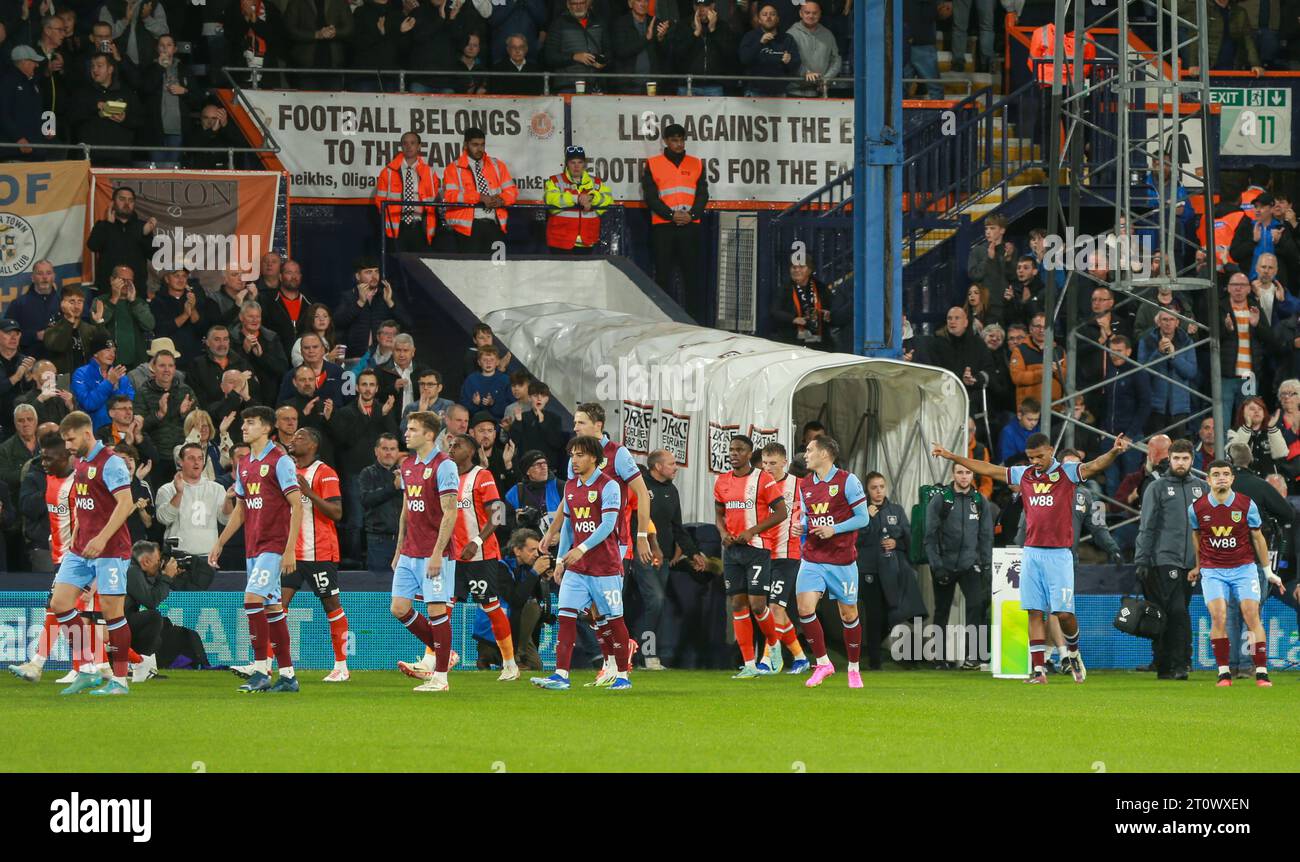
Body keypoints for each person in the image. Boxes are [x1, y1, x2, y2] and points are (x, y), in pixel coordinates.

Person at [932, 429, 1131, 684]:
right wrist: (952, 456)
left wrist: (1114, 451)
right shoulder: (1024, 474)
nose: (1034, 462)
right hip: (1032, 552)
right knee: (1034, 612)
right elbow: (987, 468)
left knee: (1063, 614)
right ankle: (1038, 671)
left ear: (1050, 451)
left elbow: (1094, 466)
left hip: (1060, 554)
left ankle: (1073, 653)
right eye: (1030, 457)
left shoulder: (1067, 473)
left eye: (1038, 456)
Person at [208, 406, 305, 693]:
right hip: (253, 545)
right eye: (244, 423)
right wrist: (220, 541)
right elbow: (240, 508)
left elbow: (297, 504)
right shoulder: (246, 463)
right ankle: (288, 676)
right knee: (272, 608)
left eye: (250, 423)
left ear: (266, 428)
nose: (244, 428)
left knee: (252, 600)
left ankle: (261, 669)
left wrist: (289, 550)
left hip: (274, 545)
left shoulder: (280, 461)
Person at [531, 434, 631, 691]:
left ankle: (622, 676)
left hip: (605, 568)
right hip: (577, 568)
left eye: (580, 455)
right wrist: (561, 561)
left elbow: (608, 525)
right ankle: (561, 675)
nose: (574, 460)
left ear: (595, 459)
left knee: (614, 620)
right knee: (566, 616)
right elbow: (567, 528)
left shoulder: (609, 486)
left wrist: (582, 548)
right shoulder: (571, 487)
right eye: (572, 455)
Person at [45, 411, 136, 695]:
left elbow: (126, 504)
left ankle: (120, 681)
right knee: (60, 603)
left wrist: (102, 537)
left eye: (71, 439)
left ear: (86, 433)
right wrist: (78, 535)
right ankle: (86, 668)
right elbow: (86, 505)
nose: (68, 446)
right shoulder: (80, 461)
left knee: (112, 612)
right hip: (81, 548)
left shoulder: (112, 463)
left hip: (110, 549)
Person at [1191, 460, 1281, 687]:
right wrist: (1199, 565)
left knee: (1251, 614)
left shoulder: (1246, 505)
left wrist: (1267, 570)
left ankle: (1261, 672)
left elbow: (1258, 537)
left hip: (1244, 568)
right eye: (1216, 474)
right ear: (1208, 479)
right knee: (1219, 615)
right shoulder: (1196, 508)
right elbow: (1197, 537)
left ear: (1232, 479)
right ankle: (1223, 672)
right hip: (1213, 570)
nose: (1221, 477)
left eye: (1225, 474)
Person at [388, 411, 460, 692]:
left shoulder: (444, 466)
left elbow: (450, 511)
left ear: (430, 435)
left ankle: (440, 677)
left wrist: (437, 552)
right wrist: (398, 550)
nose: (407, 433)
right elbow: (406, 510)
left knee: (436, 609)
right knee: (399, 608)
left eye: (413, 429)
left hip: (435, 553)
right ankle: (444, 652)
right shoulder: (408, 465)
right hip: (409, 551)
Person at [790, 435, 870, 688]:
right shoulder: (805, 484)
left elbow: (863, 518)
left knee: (848, 614)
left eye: (810, 450)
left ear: (824, 454)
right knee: (804, 608)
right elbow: (810, 519)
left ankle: (854, 669)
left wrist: (834, 529)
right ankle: (824, 663)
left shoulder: (848, 481)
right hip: (813, 557)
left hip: (842, 560)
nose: (805, 454)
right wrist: (800, 527)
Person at [276, 427, 351, 682]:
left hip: (320, 552)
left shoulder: (325, 473)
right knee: (277, 606)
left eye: (301, 437)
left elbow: (337, 513)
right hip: (292, 554)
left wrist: (309, 493)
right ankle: (269, 665)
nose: (294, 439)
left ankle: (341, 666)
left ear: (313, 446)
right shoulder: (287, 471)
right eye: (293, 436)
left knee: (331, 606)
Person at [444, 432, 519, 680]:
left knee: (490, 606)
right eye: (451, 444)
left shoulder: (482, 476)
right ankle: (434, 660)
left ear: (473, 451)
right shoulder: (446, 479)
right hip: (452, 557)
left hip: (480, 556)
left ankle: (510, 664)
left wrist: (476, 541)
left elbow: (498, 515)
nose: (453, 448)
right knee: (441, 607)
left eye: (459, 445)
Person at [712, 434, 788, 678]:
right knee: (737, 603)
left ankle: (773, 644)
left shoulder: (763, 479)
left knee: (758, 605)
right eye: (731, 449)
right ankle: (749, 664)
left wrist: (752, 531)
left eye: (739, 450)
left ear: (748, 453)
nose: (734, 453)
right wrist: (723, 532)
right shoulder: (722, 481)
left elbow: (781, 512)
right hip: (732, 551)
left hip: (756, 549)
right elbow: (719, 514)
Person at [1134, 438, 1207, 680]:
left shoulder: (1202, 487)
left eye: (1185, 459)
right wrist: (1142, 560)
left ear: (1191, 460)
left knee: (1174, 611)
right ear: (1170, 459)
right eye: (1176, 458)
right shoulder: (1157, 487)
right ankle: (1181, 663)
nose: (1180, 463)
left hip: (1191, 562)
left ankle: (1165, 665)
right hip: (1163, 559)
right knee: (1177, 610)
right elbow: (1147, 526)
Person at [924, 462, 993, 670]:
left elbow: (986, 536)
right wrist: (937, 566)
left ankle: (972, 658)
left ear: (973, 476)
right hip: (944, 564)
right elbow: (930, 536)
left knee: (976, 606)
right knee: (942, 610)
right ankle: (939, 658)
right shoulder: (941, 500)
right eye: (960, 472)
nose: (964, 476)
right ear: (953, 474)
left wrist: (986, 564)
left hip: (970, 564)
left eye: (968, 473)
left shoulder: (980, 501)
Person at [643, 123, 709, 324]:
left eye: (681, 140)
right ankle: (662, 321)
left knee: (693, 276)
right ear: (665, 141)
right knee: (662, 275)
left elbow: (702, 194)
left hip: (690, 225)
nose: (679, 144)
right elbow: (651, 197)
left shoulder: (696, 163)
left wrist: (693, 214)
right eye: (674, 140)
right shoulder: (653, 163)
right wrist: (671, 215)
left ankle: (694, 322)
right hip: (664, 227)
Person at [753, 442, 809, 673]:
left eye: (773, 463)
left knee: (775, 608)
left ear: (785, 462)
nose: (768, 468)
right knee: (774, 611)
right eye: (765, 463)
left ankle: (768, 659)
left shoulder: (800, 485)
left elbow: (815, 513)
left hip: (788, 554)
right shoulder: (757, 485)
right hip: (762, 553)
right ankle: (800, 657)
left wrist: (803, 528)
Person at [154, 442, 227, 589]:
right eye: (191, 458)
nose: (197, 462)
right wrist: (179, 493)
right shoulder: (167, 489)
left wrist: (229, 500)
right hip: (178, 559)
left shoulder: (216, 489)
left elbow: (225, 519)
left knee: (205, 608)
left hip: (207, 559)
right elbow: (164, 519)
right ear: (180, 462)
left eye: (200, 458)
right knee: (176, 608)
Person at [441, 127, 518, 254]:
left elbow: (512, 192)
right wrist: (480, 197)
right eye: (475, 145)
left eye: (482, 145)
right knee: (471, 270)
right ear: (466, 145)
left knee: (498, 267)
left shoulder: (497, 165)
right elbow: (450, 196)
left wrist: (501, 200)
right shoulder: (453, 168)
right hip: (468, 229)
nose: (479, 149)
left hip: (495, 225)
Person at [64, 52, 142, 166]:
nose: (95, 70)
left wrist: (125, 119)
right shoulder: (82, 92)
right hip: (89, 159)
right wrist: (94, 107)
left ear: (110, 69)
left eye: (99, 66)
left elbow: (140, 121)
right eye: (92, 66)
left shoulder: (127, 93)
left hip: (119, 159)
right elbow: (71, 118)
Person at [133, 348, 196, 477]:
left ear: (175, 369)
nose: (167, 370)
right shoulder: (143, 393)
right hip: (156, 458)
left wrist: (184, 414)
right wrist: (159, 415)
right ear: (153, 368)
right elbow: (139, 428)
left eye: (170, 366)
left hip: (182, 456)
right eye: (162, 366)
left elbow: (198, 422)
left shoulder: (185, 391)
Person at [19, 430, 75, 574]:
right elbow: (26, 507)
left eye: (48, 459)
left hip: (78, 554)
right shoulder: (39, 478)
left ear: (65, 456)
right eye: (42, 458)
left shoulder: (82, 480)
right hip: (49, 551)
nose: (43, 463)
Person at [374, 130, 439, 253]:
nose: (409, 146)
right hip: (398, 227)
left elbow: (433, 201)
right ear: (401, 146)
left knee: (419, 268)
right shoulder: (387, 172)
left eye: (412, 143)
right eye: (405, 143)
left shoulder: (429, 172)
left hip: (420, 227)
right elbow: (380, 201)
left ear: (419, 146)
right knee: (397, 266)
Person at [333, 259, 411, 361]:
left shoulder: (387, 294)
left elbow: (408, 323)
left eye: (376, 271)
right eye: (368, 272)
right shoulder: (348, 296)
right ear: (357, 276)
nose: (374, 276)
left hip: (383, 357)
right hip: (354, 357)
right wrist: (360, 302)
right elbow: (338, 322)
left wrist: (390, 302)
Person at [543, 146, 613, 255]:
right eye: (572, 162)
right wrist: (577, 199)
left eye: (580, 162)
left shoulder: (596, 182)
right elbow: (550, 200)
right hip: (560, 242)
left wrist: (591, 198)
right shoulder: (555, 181)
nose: (576, 166)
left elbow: (608, 199)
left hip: (588, 241)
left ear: (584, 164)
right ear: (567, 164)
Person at [359, 432, 404, 574]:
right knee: (379, 585)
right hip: (379, 542)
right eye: (385, 449)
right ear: (376, 451)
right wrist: (393, 487)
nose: (389, 453)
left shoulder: (405, 474)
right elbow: (366, 500)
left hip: (404, 541)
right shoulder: (367, 473)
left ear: (398, 452)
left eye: (392, 449)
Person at [542, 0, 609, 93]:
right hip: (568, 85)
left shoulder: (599, 21)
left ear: (587, 3)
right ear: (568, 5)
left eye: (582, 3)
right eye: (574, 3)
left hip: (596, 85)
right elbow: (549, 56)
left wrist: (604, 62)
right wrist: (574, 57)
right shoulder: (558, 24)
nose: (579, 6)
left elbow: (610, 51)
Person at [230, 301, 290, 405]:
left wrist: (261, 356)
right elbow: (229, 370)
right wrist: (244, 351)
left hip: (269, 397)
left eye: (258, 316)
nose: (255, 320)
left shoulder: (271, 337)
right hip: (241, 398)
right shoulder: (231, 338)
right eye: (251, 316)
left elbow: (282, 368)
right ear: (241, 317)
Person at [1, 45, 51, 160]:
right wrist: (18, 138)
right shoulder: (6, 83)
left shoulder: (34, 84)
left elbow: (43, 109)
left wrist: (48, 127)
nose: (37, 65)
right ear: (24, 62)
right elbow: (2, 114)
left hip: (36, 150)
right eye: (34, 61)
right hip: (13, 152)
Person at [5, 259, 61, 360]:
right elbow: (6, 336)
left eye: (48, 273)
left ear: (54, 276)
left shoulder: (63, 302)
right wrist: (36, 336)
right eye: (40, 273)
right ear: (32, 278)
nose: (44, 277)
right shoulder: (18, 304)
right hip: (28, 364)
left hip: (59, 362)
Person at [739, 2, 799, 96]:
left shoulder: (787, 38)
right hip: (754, 90)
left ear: (778, 19)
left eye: (772, 14)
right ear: (759, 20)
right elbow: (744, 59)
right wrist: (760, 43)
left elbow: (795, 65)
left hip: (780, 91)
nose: (768, 17)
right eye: (764, 14)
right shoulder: (750, 36)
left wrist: (789, 61)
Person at [785, 0, 839, 96]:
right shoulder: (791, 34)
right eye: (807, 12)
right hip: (794, 92)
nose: (811, 16)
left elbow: (836, 59)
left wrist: (826, 79)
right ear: (800, 14)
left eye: (815, 13)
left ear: (820, 14)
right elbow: (789, 61)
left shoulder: (828, 34)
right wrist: (805, 73)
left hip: (821, 92)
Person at [460, 345, 513, 421]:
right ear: (479, 362)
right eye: (485, 360)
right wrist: (475, 404)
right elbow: (463, 406)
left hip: (499, 423)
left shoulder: (505, 380)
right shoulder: (471, 380)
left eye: (492, 359)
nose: (488, 362)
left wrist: (493, 404)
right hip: (475, 423)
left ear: (497, 362)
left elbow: (511, 406)